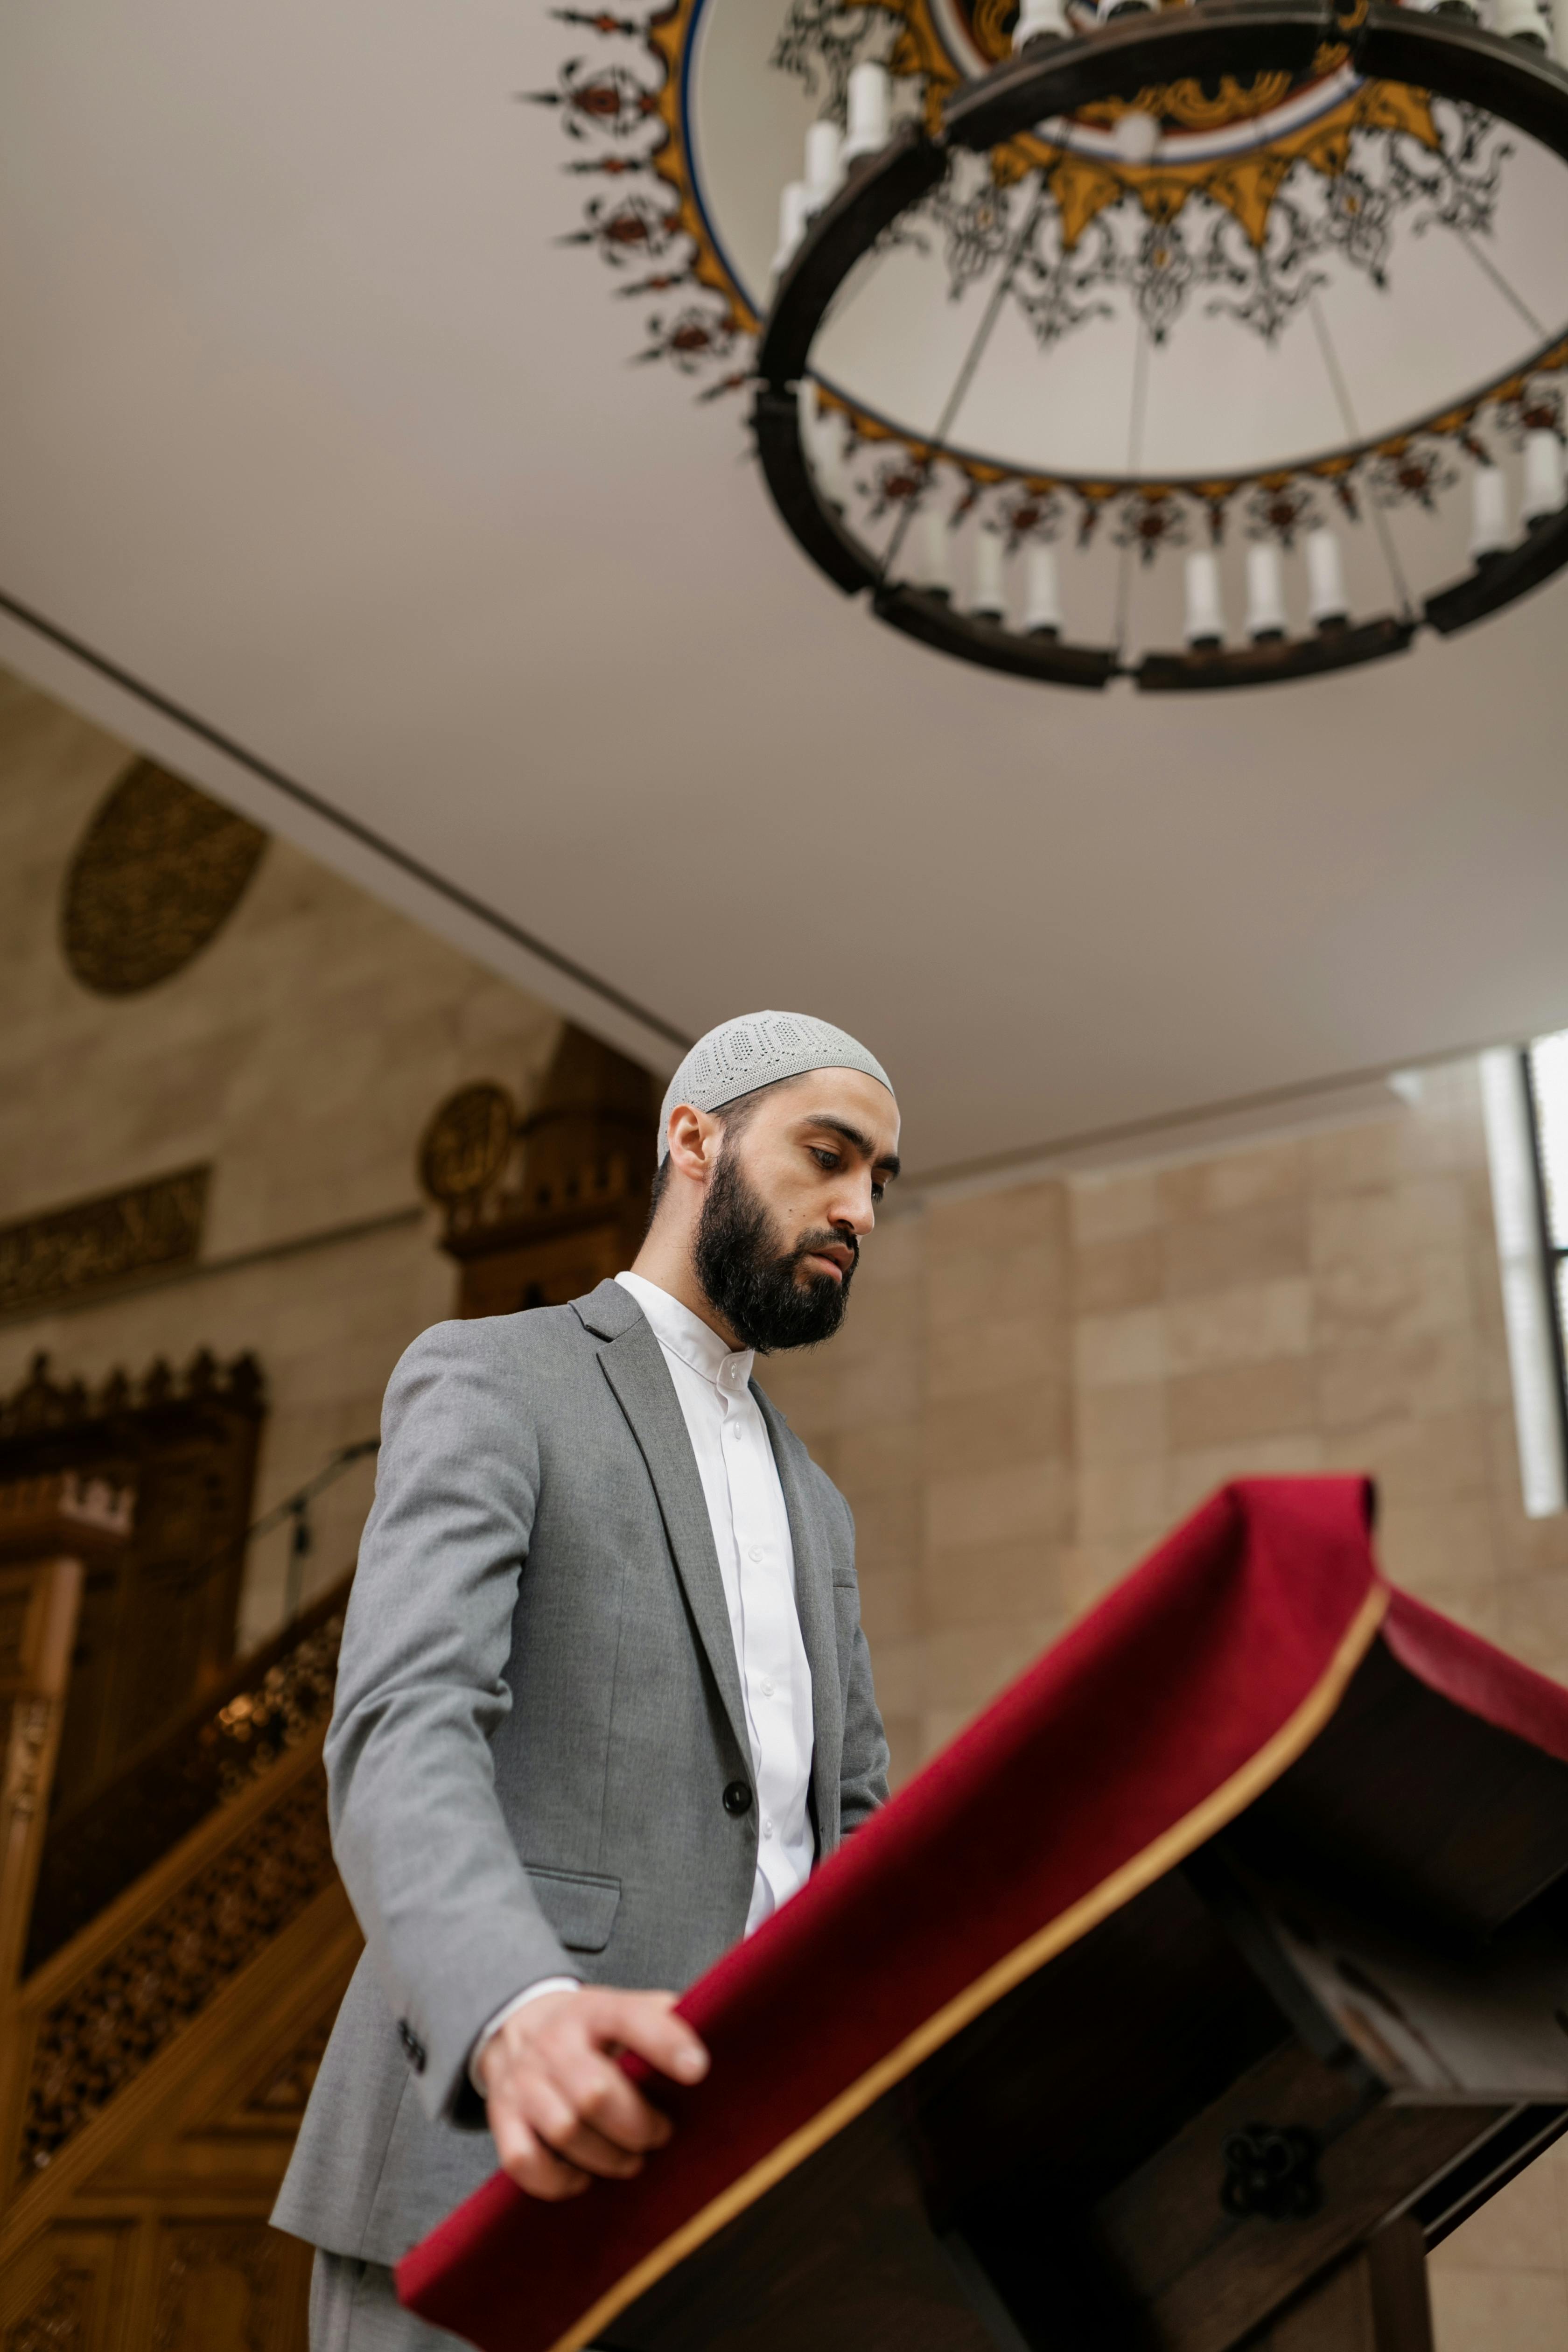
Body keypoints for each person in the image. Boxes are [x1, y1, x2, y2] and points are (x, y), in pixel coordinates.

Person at [273, 1010, 900, 2350]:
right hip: (491, 2161)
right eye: (828, 1155)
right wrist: (512, 2010)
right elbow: (402, 1724)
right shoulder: (494, 1379)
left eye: (878, 1181)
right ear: (695, 1139)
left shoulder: (822, 1509)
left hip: (754, 2203)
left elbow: (849, 1821)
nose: (859, 1209)